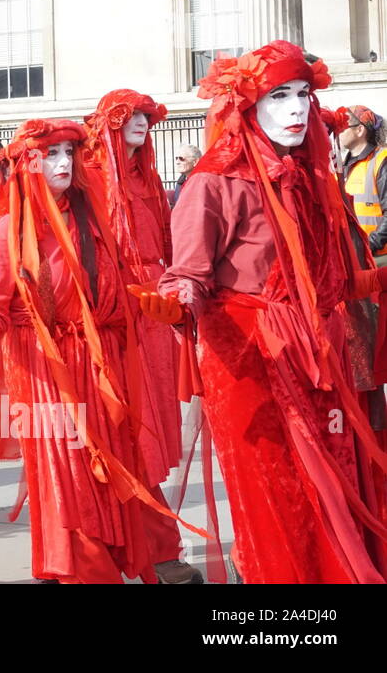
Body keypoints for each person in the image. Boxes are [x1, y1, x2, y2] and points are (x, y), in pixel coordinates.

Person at [139, 40, 387, 583]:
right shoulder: (212, 182)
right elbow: (190, 271)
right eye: (279, 96)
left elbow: (334, 280)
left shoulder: (314, 180)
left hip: (320, 356)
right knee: (274, 495)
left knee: (335, 486)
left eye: (302, 94)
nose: (297, 109)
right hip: (248, 360)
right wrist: (175, 299)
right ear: (247, 106)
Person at [0, 119, 201, 584]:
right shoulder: (6, 233)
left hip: (103, 368)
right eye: (50, 154)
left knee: (118, 463)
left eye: (68, 154)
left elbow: (116, 293)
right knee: (67, 477)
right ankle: (82, 569)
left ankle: (131, 554)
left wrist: (161, 309)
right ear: (29, 164)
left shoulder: (93, 221)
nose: (62, 163)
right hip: (45, 372)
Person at [84, 90, 182, 488]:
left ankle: (151, 481)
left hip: (155, 295)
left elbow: (167, 235)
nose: (142, 122)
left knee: (158, 394)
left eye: (146, 116)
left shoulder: (151, 178)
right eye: (133, 116)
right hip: (116, 295)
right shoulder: (91, 174)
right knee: (129, 396)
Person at [339, 106, 387, 264]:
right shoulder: (340, 166)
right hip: (353, 257)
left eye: (343, 126)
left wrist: (369, 245)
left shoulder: (381, 161)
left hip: (378, 258)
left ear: (360, 130)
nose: (338, 131)